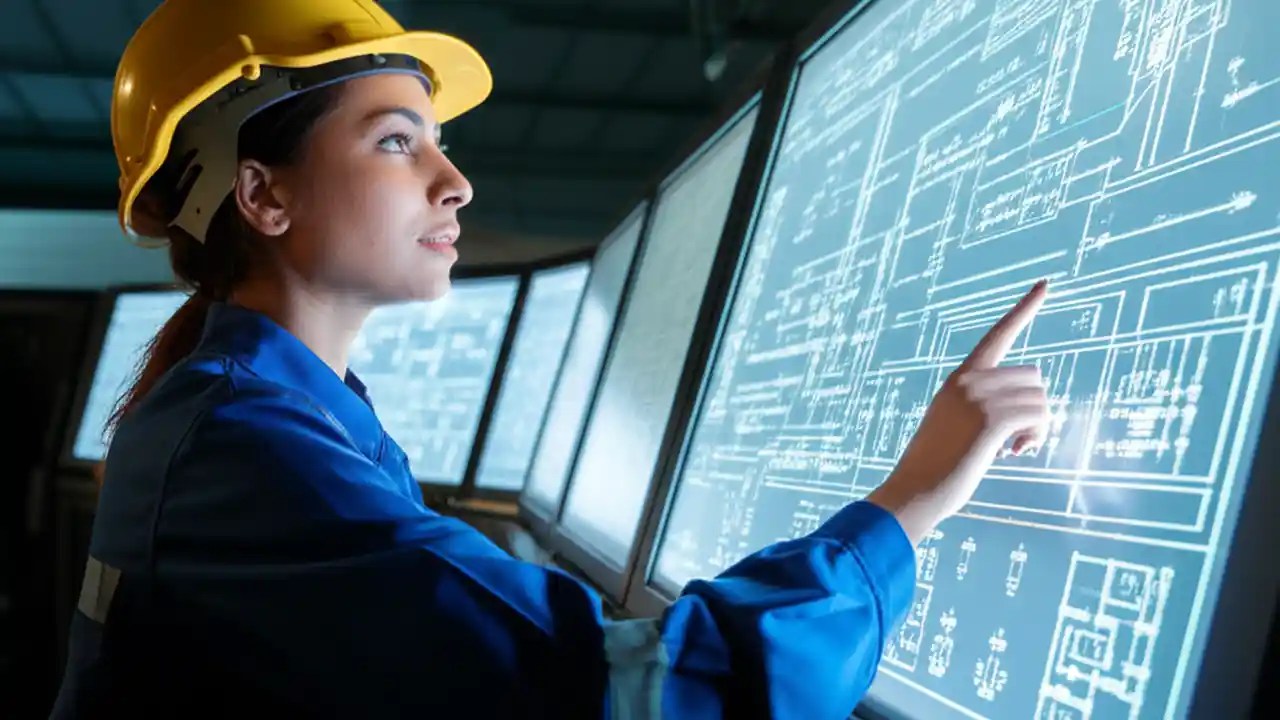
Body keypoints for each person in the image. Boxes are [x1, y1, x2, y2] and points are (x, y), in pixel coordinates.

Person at [51, 1, 1051, 718]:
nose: (456, 184)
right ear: (263, 197)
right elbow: (653, 692)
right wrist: (912, 497)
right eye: (398, 144)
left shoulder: (264, 415)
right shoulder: (244, 447)